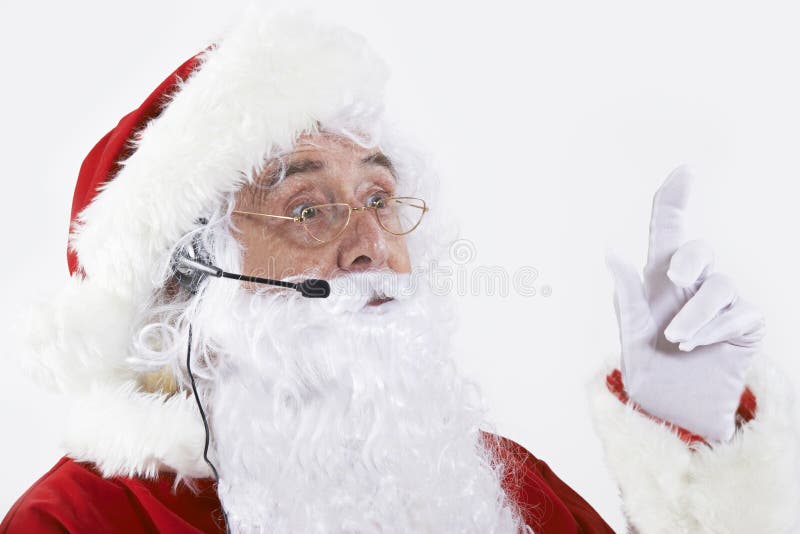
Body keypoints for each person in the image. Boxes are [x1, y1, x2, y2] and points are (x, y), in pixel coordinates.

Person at [2, 8, 798, 534]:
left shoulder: (503, 484)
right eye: (306, 210)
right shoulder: (75, 522)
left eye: (380, 199)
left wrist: (692, 462)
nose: (371, 245)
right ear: (183, 290)